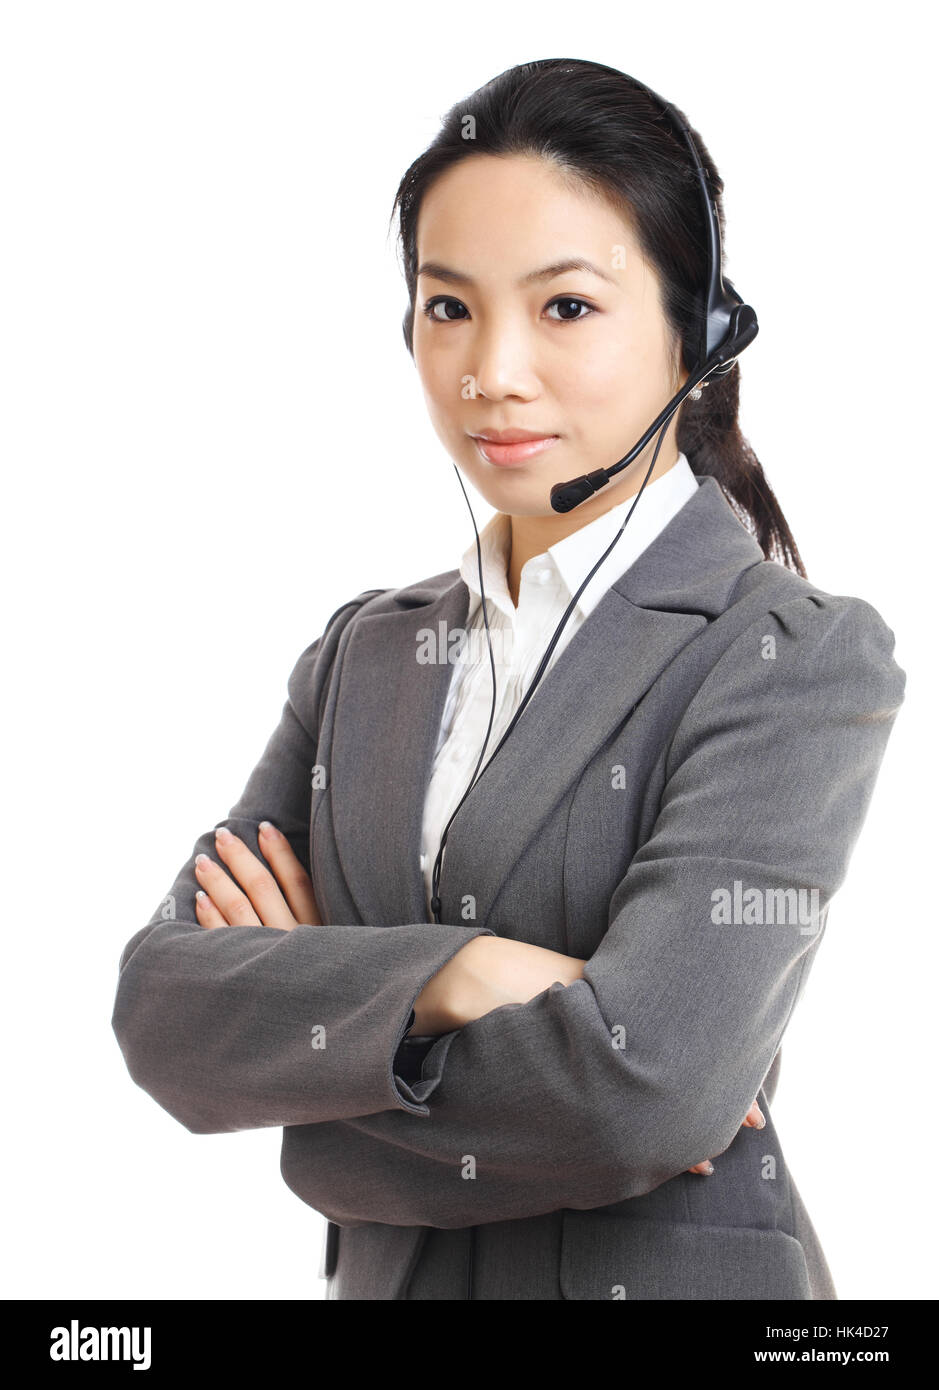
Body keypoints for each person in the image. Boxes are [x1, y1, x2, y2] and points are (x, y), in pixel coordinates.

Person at [111, 59, 906, 1300]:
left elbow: (645, 1094)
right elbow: (164, 1017)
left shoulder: (789, 652)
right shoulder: (364, 655)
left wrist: (322, 1109)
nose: (492, 371)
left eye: (567, 308)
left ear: (694, 331)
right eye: (448, 306)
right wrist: (461, 974)